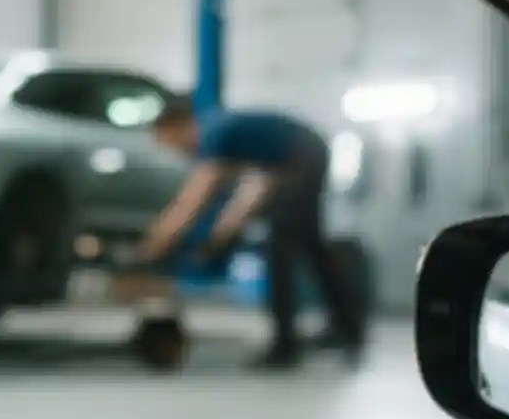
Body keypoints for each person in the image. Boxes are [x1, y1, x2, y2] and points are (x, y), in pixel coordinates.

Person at [138, 92, 365, 368]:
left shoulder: (213, 134)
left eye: (167, 142)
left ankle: (286, 345)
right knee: (308, 246)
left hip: (303, 155)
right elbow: (255, 187)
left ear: (177, 126)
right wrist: (220, 234)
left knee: (281, 249)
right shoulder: (228, 132)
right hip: (302, 155)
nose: (173, 150)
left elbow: (193, 200)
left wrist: (153, 245)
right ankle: (346, 330)